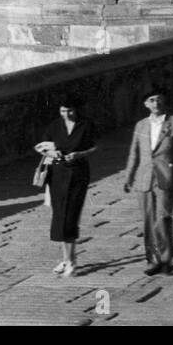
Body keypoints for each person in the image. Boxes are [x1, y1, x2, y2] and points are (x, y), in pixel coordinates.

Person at [122, 87, 173, 275]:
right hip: (144, 177)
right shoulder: (141, 125)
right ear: (146, 104)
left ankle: (167, 259)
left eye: (159, 99)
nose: (156, 103)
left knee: (163, 217)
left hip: (166, 176)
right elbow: (134, 153)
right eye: (151, 100)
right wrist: (129, 177)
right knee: (147, 219)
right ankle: (153, 259)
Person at [35, 96, 98, 277]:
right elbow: (42, 146)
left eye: (69, 110)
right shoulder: (55, 126)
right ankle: (67, 258)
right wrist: (52, 152)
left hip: (78, 174)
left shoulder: (86, 125)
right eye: (63, 111)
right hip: (57, 175)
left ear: (76, 110)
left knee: (71, 215)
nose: (66, 114)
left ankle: (71, 260)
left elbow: (96, 146)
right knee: (60, 215)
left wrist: (80, 154)